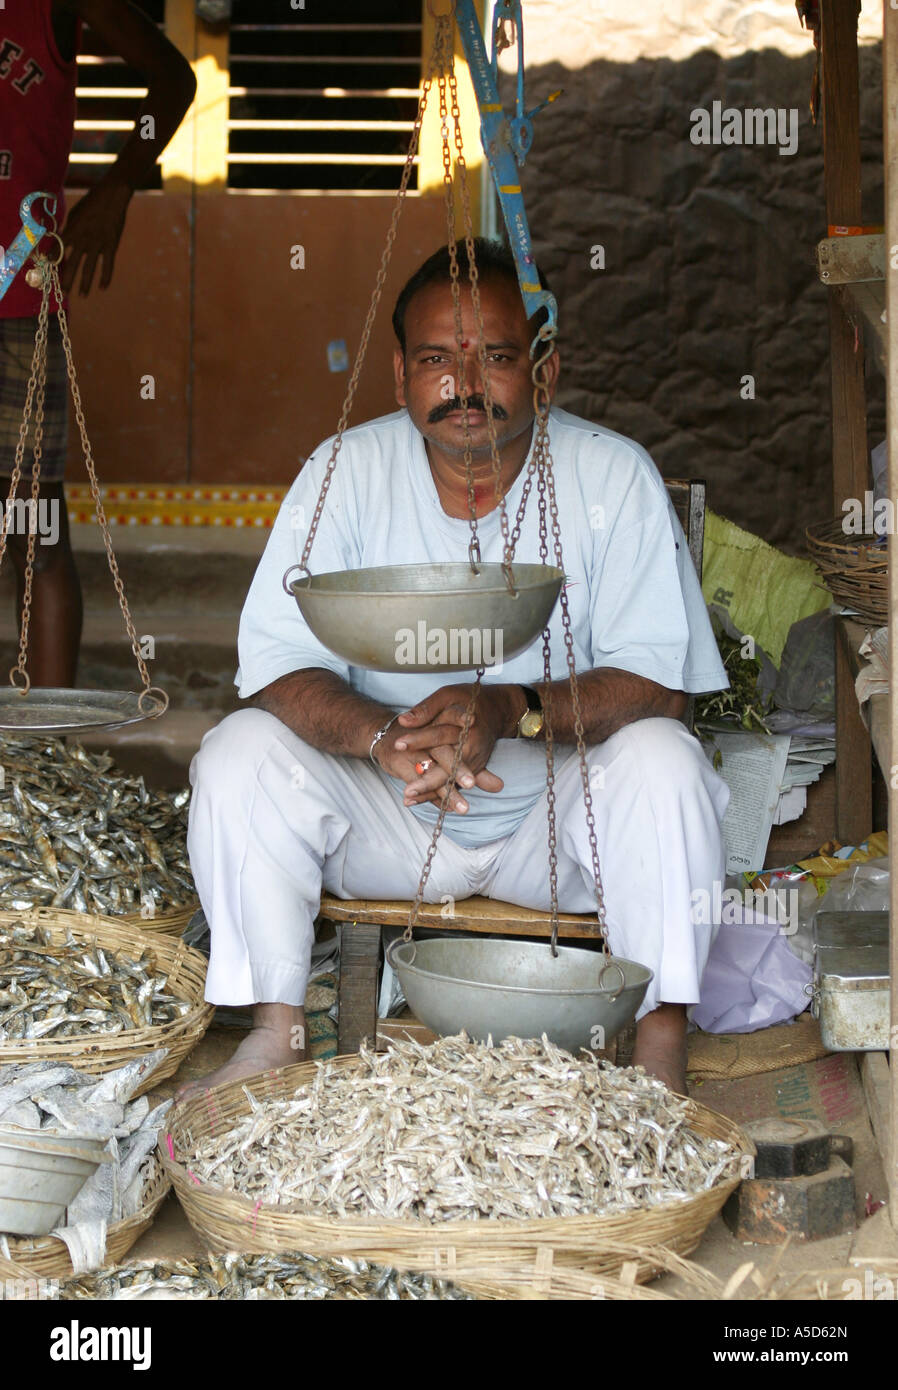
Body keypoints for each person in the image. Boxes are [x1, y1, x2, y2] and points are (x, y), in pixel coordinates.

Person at [185, 237, 730, 1097]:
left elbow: (661, 679)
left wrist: (513, 707)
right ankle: (274, 1031)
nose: (463, 384)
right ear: (400, 371)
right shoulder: (342, 472)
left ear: (543, 370)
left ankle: (658, 1043)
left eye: (497, 357)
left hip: (555, 823)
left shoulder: (610, 475)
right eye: (436, 359)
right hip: (391, 814)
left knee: (665, 761)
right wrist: (378, 739)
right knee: (237, 752)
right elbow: (276, 665)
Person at [0, 0, 195, 685]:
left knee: (35, 534)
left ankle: (48, 755)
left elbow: (172, 80)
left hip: (15, 301)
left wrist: (117, 185)